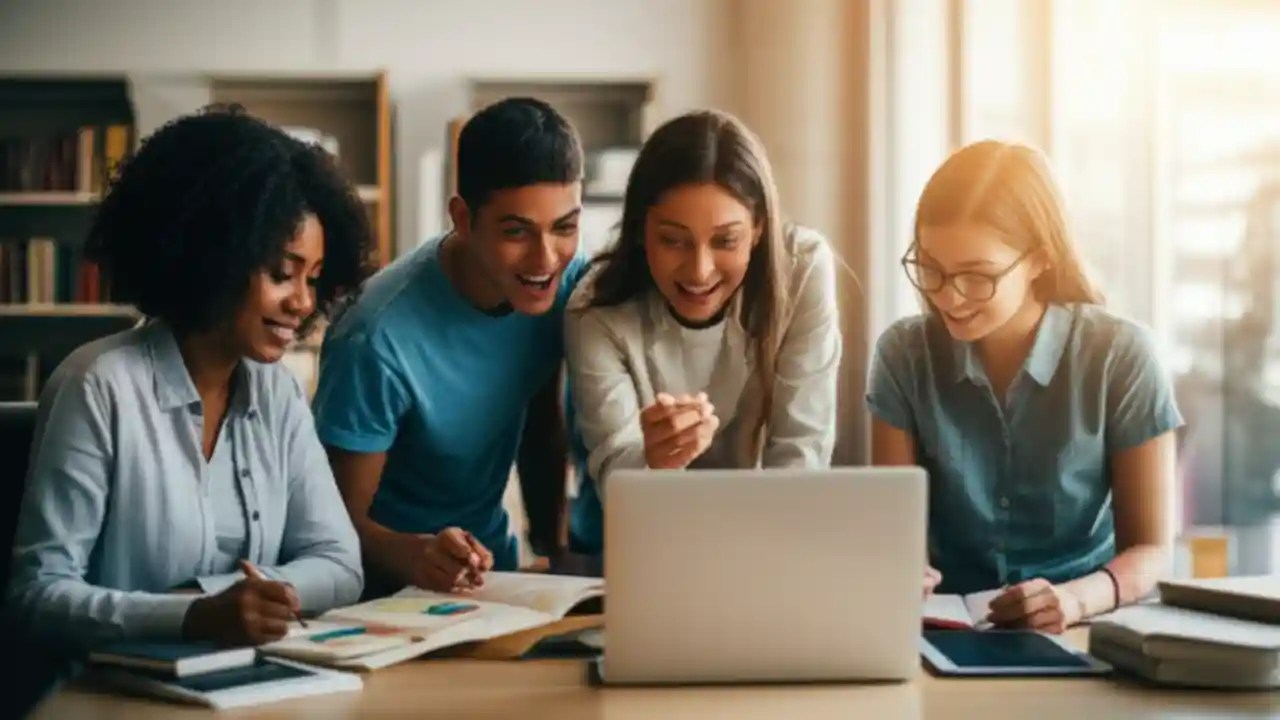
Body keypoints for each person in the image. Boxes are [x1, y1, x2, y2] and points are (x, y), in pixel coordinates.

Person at [6, 105, 370, 653]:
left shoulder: (280, 392)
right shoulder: (99, 385)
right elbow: (37, 593)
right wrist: (192, 616)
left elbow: (341, 565)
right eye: (280, 273)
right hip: (114, 695)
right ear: (214, 256)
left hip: (247, 687)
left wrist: (219, 598)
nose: (302, 302)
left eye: (314, 279)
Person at [867, 140, 1182, 633]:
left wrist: (1074, 600)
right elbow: (890, 534)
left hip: (1083, 627)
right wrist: (898, 570)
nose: (948, 296)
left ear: (1039, 260)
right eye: (931, 269)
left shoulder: (1121, 356)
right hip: (947, 628)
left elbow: (1153, 549)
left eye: (977, 276)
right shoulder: (903, 356)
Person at [313, 97, 588, 594]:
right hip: (384, 599)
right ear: (462, 218)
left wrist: (557, 552)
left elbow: (542, 415)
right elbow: (329, 532)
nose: (546, 258)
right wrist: (415, 555)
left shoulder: (563, 281)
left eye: (564, 227)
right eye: (516, 231)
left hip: (497, 581)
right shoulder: (375, 338)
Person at [564, 109, 842, 553]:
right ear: (640, 231)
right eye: (673, 240)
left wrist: (776, 551)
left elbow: (801, 448)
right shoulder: (595, 310)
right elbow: (619, 480)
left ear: (757, 229)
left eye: (725, 240)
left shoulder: (803, 268)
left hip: (759, 530)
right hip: (632, 543)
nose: (699, 270)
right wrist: (656, 462)